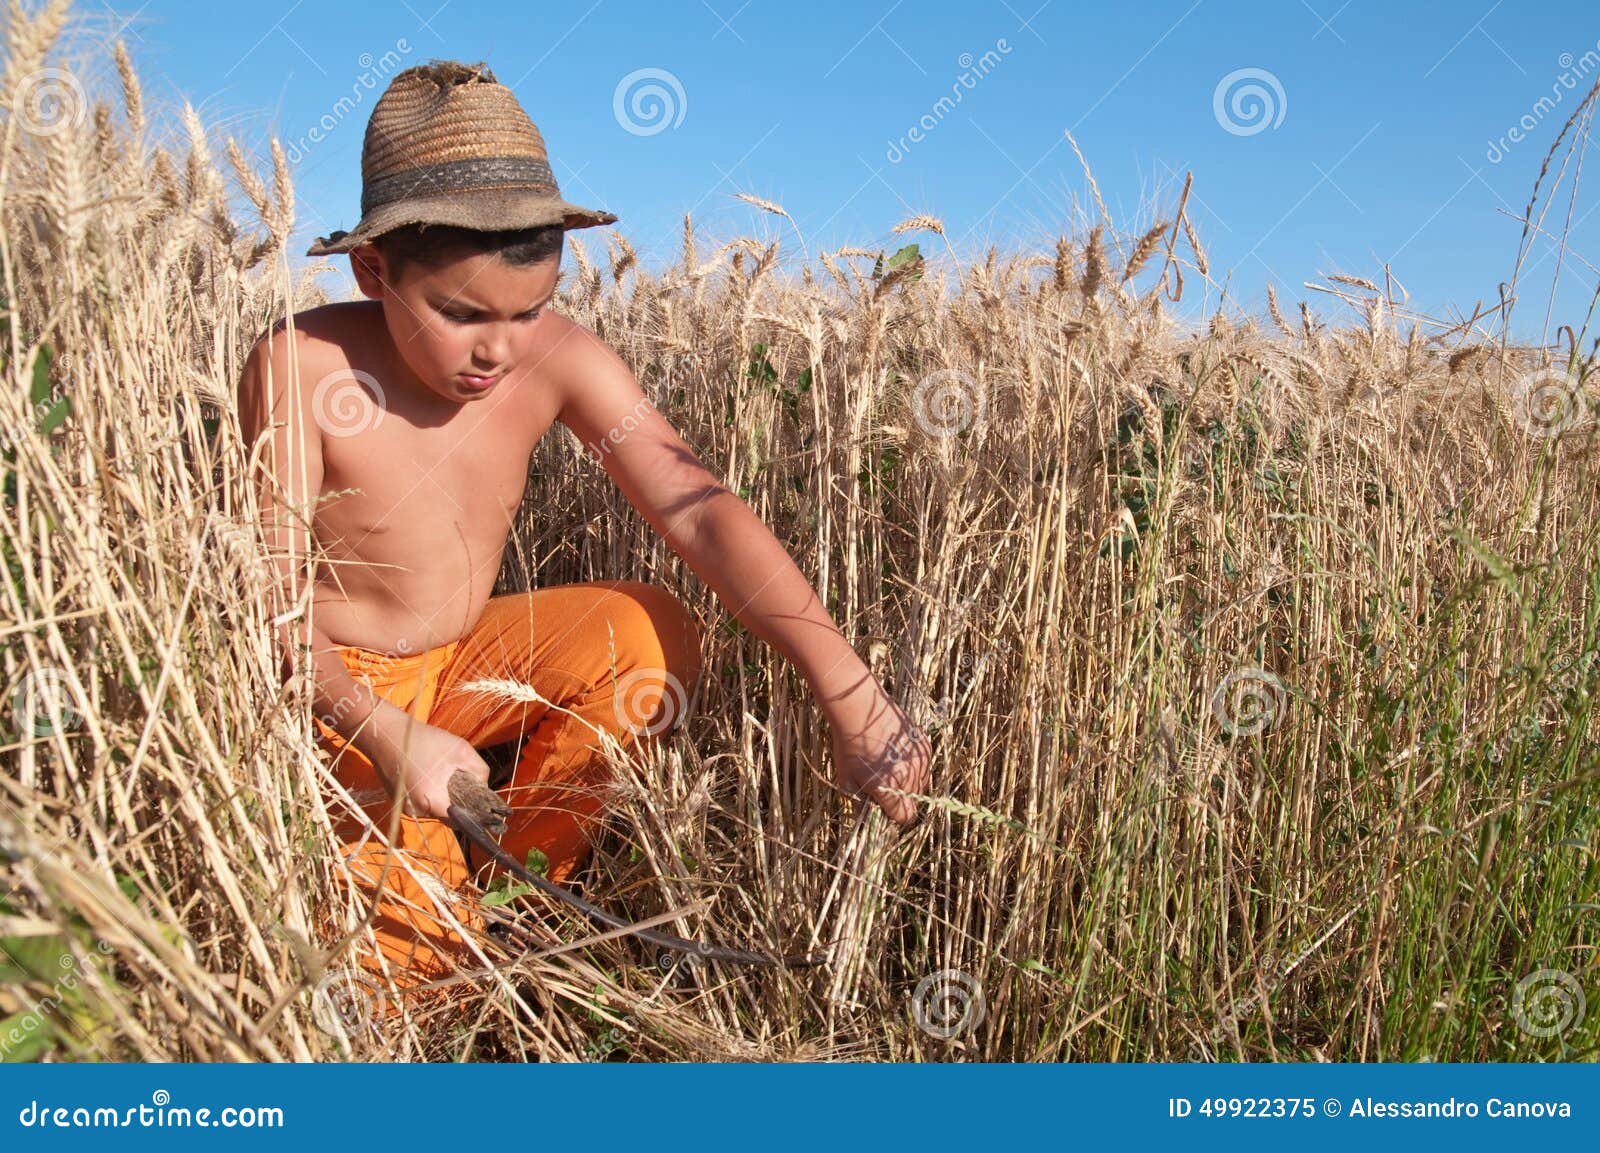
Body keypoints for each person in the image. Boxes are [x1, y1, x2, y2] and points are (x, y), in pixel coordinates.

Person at [236, 59, 931, 1013]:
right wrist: (386, 729)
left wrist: (848, 688)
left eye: (528, 310)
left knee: (648, 633)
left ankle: (522, 893)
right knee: (419, 984)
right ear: (373, 270)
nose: (498, 349)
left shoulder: (556, 356)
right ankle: (443, 929)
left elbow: (697, 509)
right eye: (460, 314)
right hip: (336, 691)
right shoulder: (301, 365)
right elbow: (268, 605)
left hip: (466, 661)